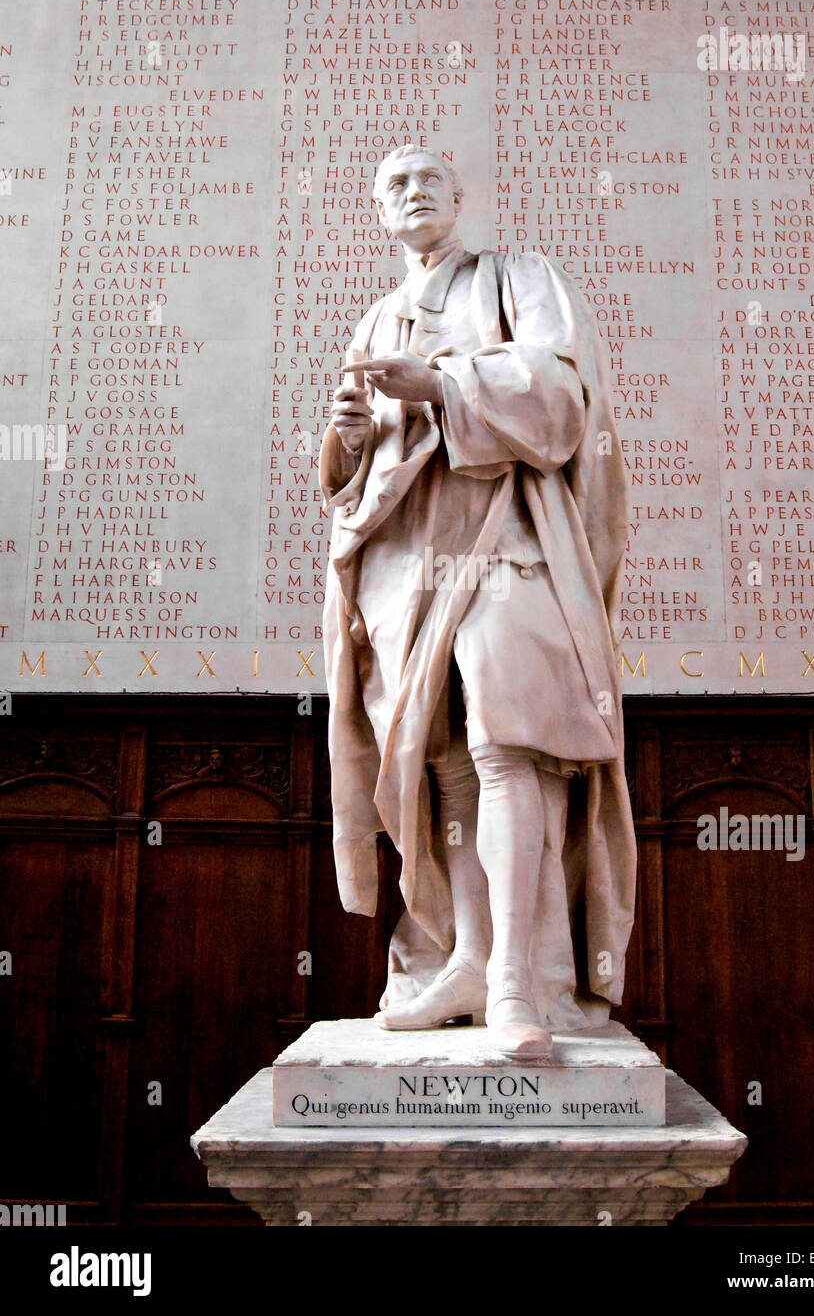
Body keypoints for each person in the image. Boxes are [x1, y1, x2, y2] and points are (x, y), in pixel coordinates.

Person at [319, 144, 637, 1059]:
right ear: (379, 212)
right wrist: (348, 441)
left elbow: (563, 397)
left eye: (427, 181)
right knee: (438, 760)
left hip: (507, 542)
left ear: (459, 199)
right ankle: (463, 955)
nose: (411, 193)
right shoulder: (377, 319)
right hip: (405, 563)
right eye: (392, 186)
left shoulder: (518, 278)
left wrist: (445, 386)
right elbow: (350, 481)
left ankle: (516, 988)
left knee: (507, 745)